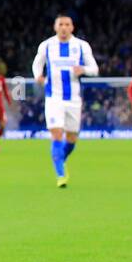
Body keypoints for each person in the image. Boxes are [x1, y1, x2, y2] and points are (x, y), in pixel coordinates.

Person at [32, 15, 98, 188]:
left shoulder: (81, 46)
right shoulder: (46, 45)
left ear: (72, 27)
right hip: (53, 98)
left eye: (67, 24)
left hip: (74, 99)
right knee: (56, 134)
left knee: (72, 138)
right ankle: (60, 175)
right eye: (60, 24)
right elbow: (37, 63)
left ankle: (60, 160)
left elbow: (94, 69)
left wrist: (83, 69)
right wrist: (38, 76)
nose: (63, 27)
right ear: (55, 27)